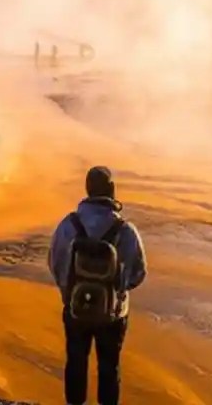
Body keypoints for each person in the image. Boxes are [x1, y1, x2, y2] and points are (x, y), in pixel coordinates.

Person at [48, 165, 147, 405]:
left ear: (87, 189)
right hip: (112, 315)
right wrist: (117, 291)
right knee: (109, 368)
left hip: (75, 309)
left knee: (76, 362)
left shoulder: (69, 225)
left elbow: (54, 263)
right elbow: (138, 273)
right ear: (112, 191)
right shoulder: (125, 231)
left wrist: (68, 291)